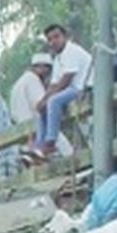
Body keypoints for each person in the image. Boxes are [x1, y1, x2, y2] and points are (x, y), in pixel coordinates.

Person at [36, 24, 95, 157]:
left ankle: (51, 140)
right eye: (50, 39)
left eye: (56, 37)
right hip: (71, 89)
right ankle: (39, 146)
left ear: (65, 36)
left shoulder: (72, 50)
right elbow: (53, 84)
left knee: (54, 101)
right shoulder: (58, 58)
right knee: (42, 108)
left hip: (83, 87)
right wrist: (42, 100)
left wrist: (48, 99)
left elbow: (66, 79)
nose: (53, 42)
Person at [11, 55, 72, 164]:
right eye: (47, 70)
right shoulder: (32, 80)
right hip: (37, 129)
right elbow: (43, 105)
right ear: (41, 68)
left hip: (24, 133)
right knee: (65, 149)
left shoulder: (18, 84)